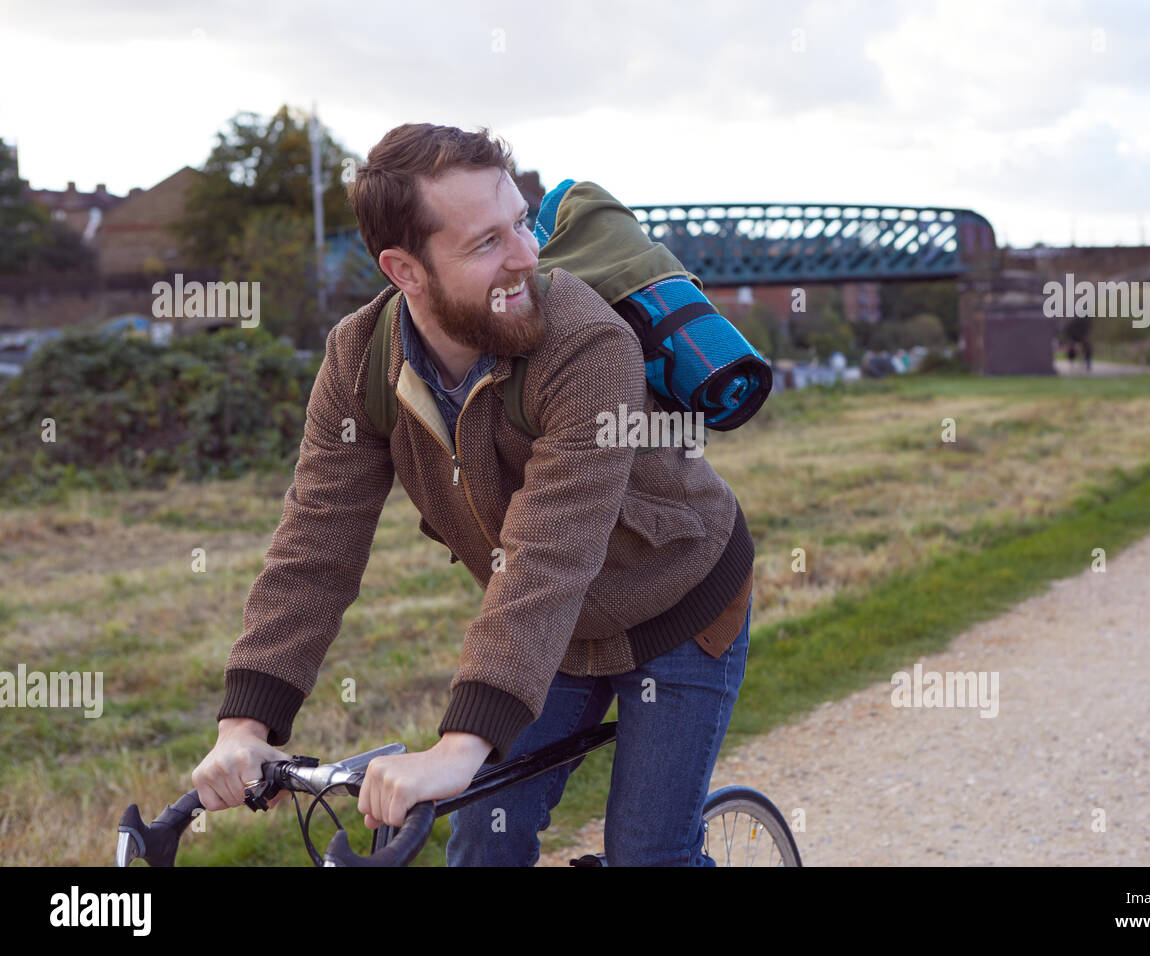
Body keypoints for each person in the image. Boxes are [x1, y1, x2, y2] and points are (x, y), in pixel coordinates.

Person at [190, 123, 754, 866]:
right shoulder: (360, 360)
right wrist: (246, 721)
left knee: (649, 853)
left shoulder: (587, 344)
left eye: (522, 223)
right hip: (553, 638)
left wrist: (459, 745)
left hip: (679, 606)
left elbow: (548, 555)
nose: (527, 256)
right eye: (486, 243)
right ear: (406, 270)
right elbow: (315, 545)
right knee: (484, 842)